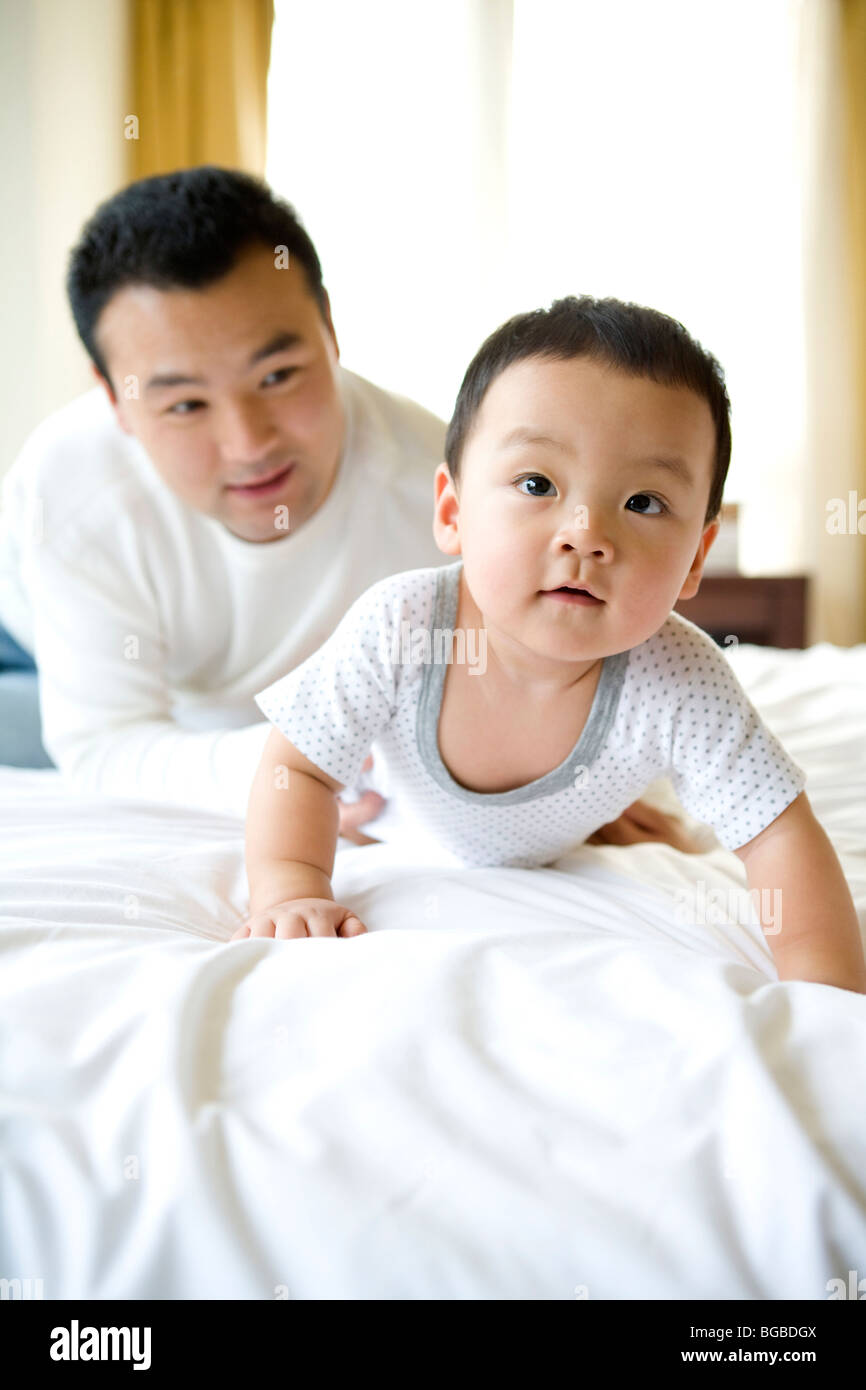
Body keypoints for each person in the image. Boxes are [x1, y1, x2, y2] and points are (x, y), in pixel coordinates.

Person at [0, 167, 695, 851]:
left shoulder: (444, 483)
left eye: (278, 376)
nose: (249, 444)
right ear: (113, 396)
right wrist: (299, 767)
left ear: (330, 327)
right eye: (185, 404)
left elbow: (540, 668)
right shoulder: (75, 494)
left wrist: (572, 781)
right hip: (38, 652)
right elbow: (103, 747)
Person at [234, 295, 866, 996]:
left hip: (570, 812)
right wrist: (291, 886)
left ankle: (609, 798)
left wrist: (827, 988)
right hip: (380, 804)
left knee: (660, 813)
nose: (586, 533)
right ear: (452, 512)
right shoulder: (404, 627)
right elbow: (300, 768)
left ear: (696, 559)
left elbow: (778, 834)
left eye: (644, 502)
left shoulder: (681, 679)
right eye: (537, 484)